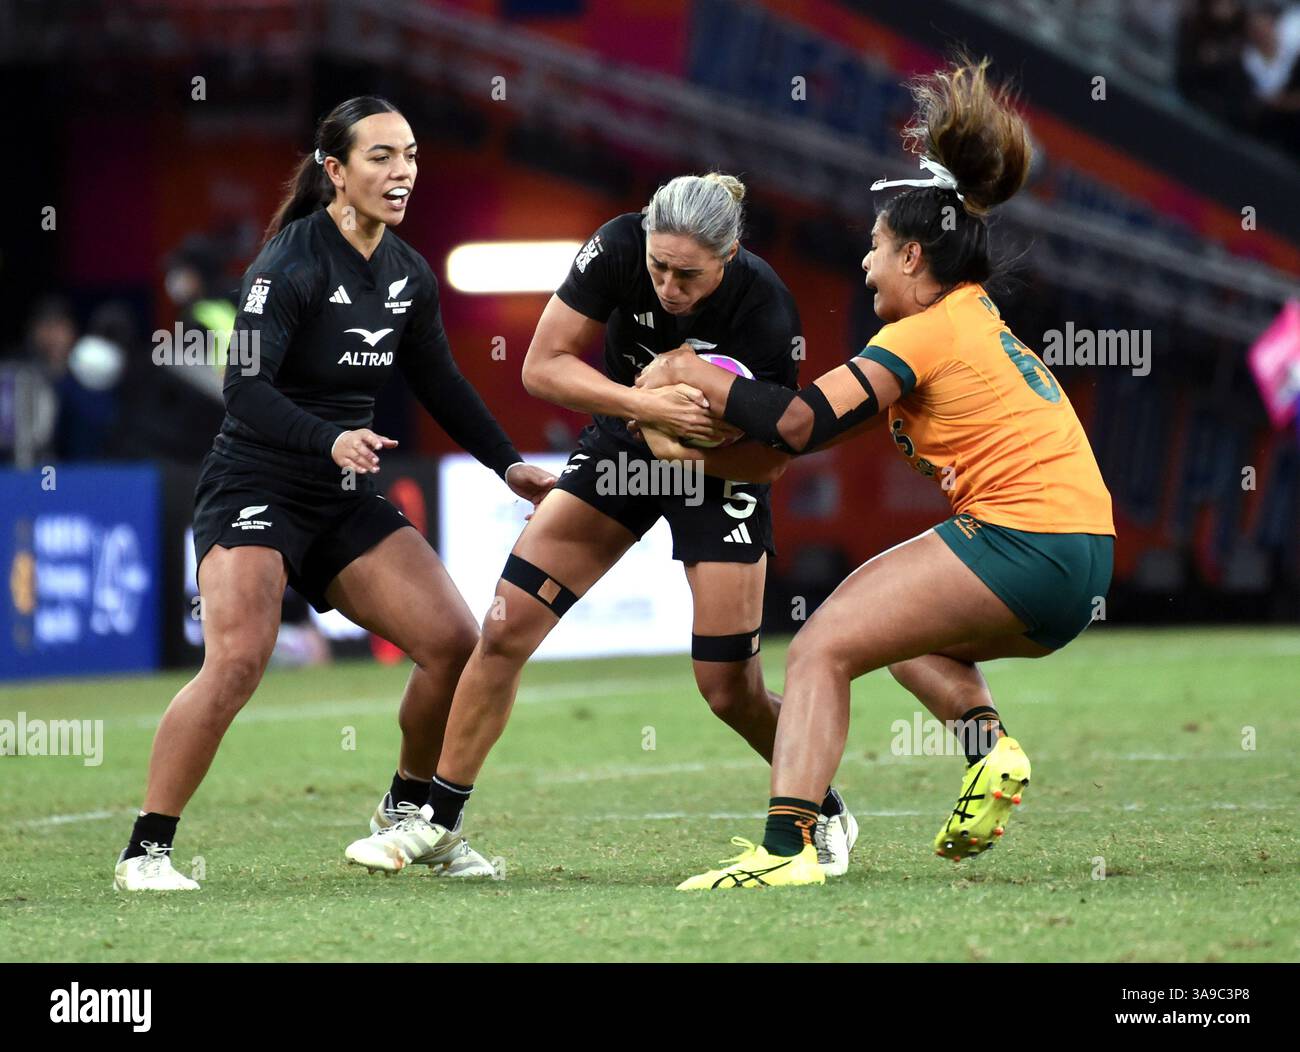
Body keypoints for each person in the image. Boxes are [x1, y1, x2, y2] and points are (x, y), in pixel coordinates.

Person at [638, 59, 1115, 889]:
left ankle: (786, 852)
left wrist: (690, 369)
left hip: (1025, 539)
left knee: (820, 645)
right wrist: (710, 450)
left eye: (875, 249)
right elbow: (795, 443)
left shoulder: (920, 334)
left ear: (912, 255)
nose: (864, 267)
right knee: (894, 638)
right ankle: (987, 752)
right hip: (1085, 557)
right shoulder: (976, 317)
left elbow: (796, 421)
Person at [342, 173, 859, 878]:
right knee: (504, 627)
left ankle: (821, 802)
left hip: (724, 471)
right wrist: (647, 410)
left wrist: (692, 441)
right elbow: (542, 366)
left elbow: (771, 463)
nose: (670, 287)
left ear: (730, 253)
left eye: (689, 275)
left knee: (726, 687)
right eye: (659, 268)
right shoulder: (617, 246)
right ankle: (438, 819)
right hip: (623, 442)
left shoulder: (766, 307)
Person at [114, 95, 555, 891]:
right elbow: (243, 385)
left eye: (410, 155)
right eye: (380, 156)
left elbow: (441, 384)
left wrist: (507, 463)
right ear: (335, 173)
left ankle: (409, 815)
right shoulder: (289, 261)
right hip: (255, 483)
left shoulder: (407, 272)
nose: (402, 171)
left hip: (340, 493)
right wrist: (326, 437)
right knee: (239, 662)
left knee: (455, 645)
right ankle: (146, 851)